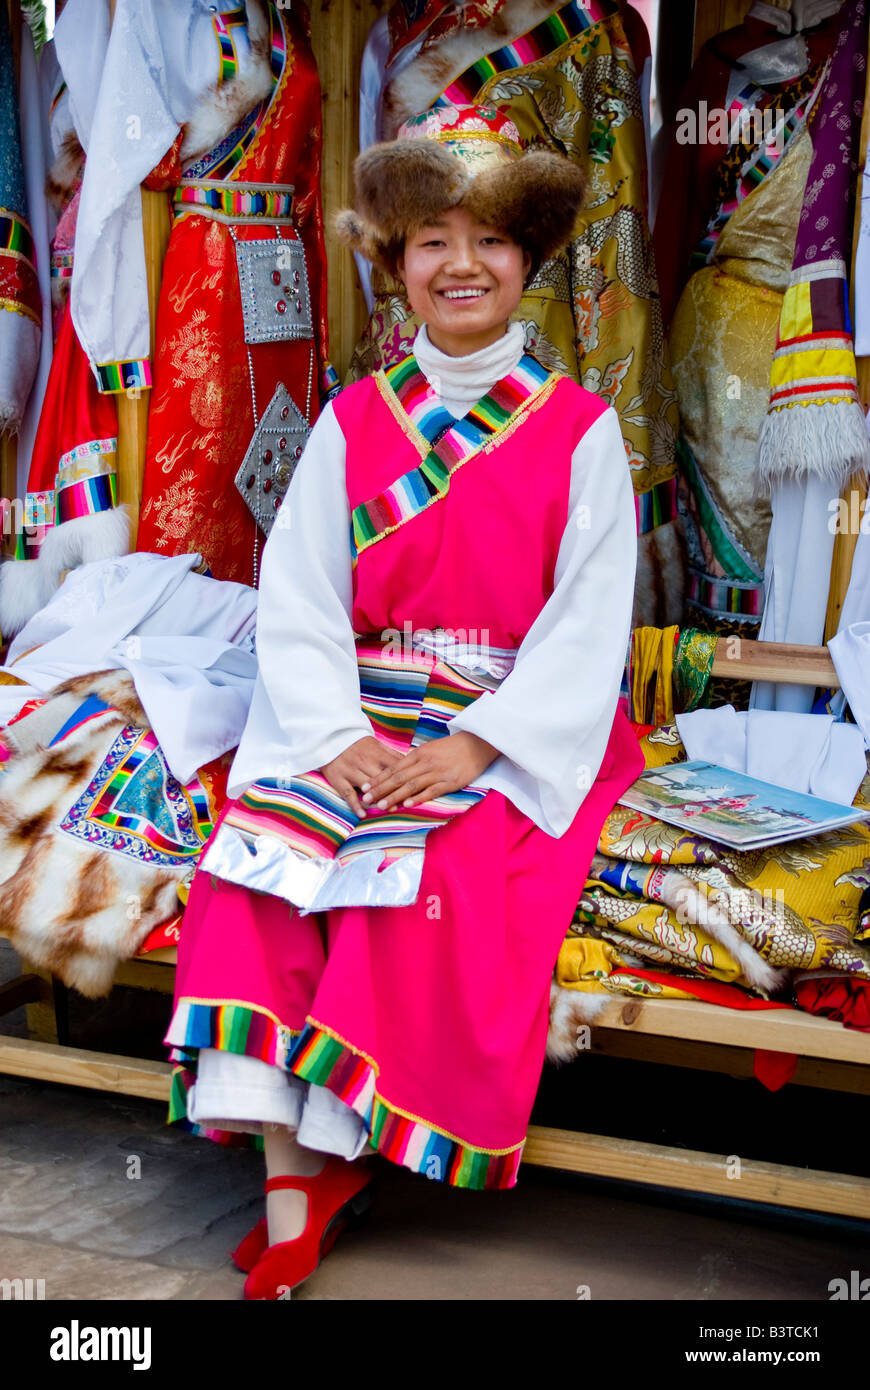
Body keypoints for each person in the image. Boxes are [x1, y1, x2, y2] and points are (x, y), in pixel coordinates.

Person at [164, 103, 644, 1300]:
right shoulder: (352, 421)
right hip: (358, 714)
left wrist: (479, 748)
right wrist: (332, 741)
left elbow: (589, 628)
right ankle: (293, 1180)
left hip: (507, 716)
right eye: (433, 239)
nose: (462, 264)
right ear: (397, 266)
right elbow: (303, 598)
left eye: (489, 240)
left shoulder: (581, 433)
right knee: (259, 863)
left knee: (415, 873)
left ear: (529, 261)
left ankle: (344, 1144)